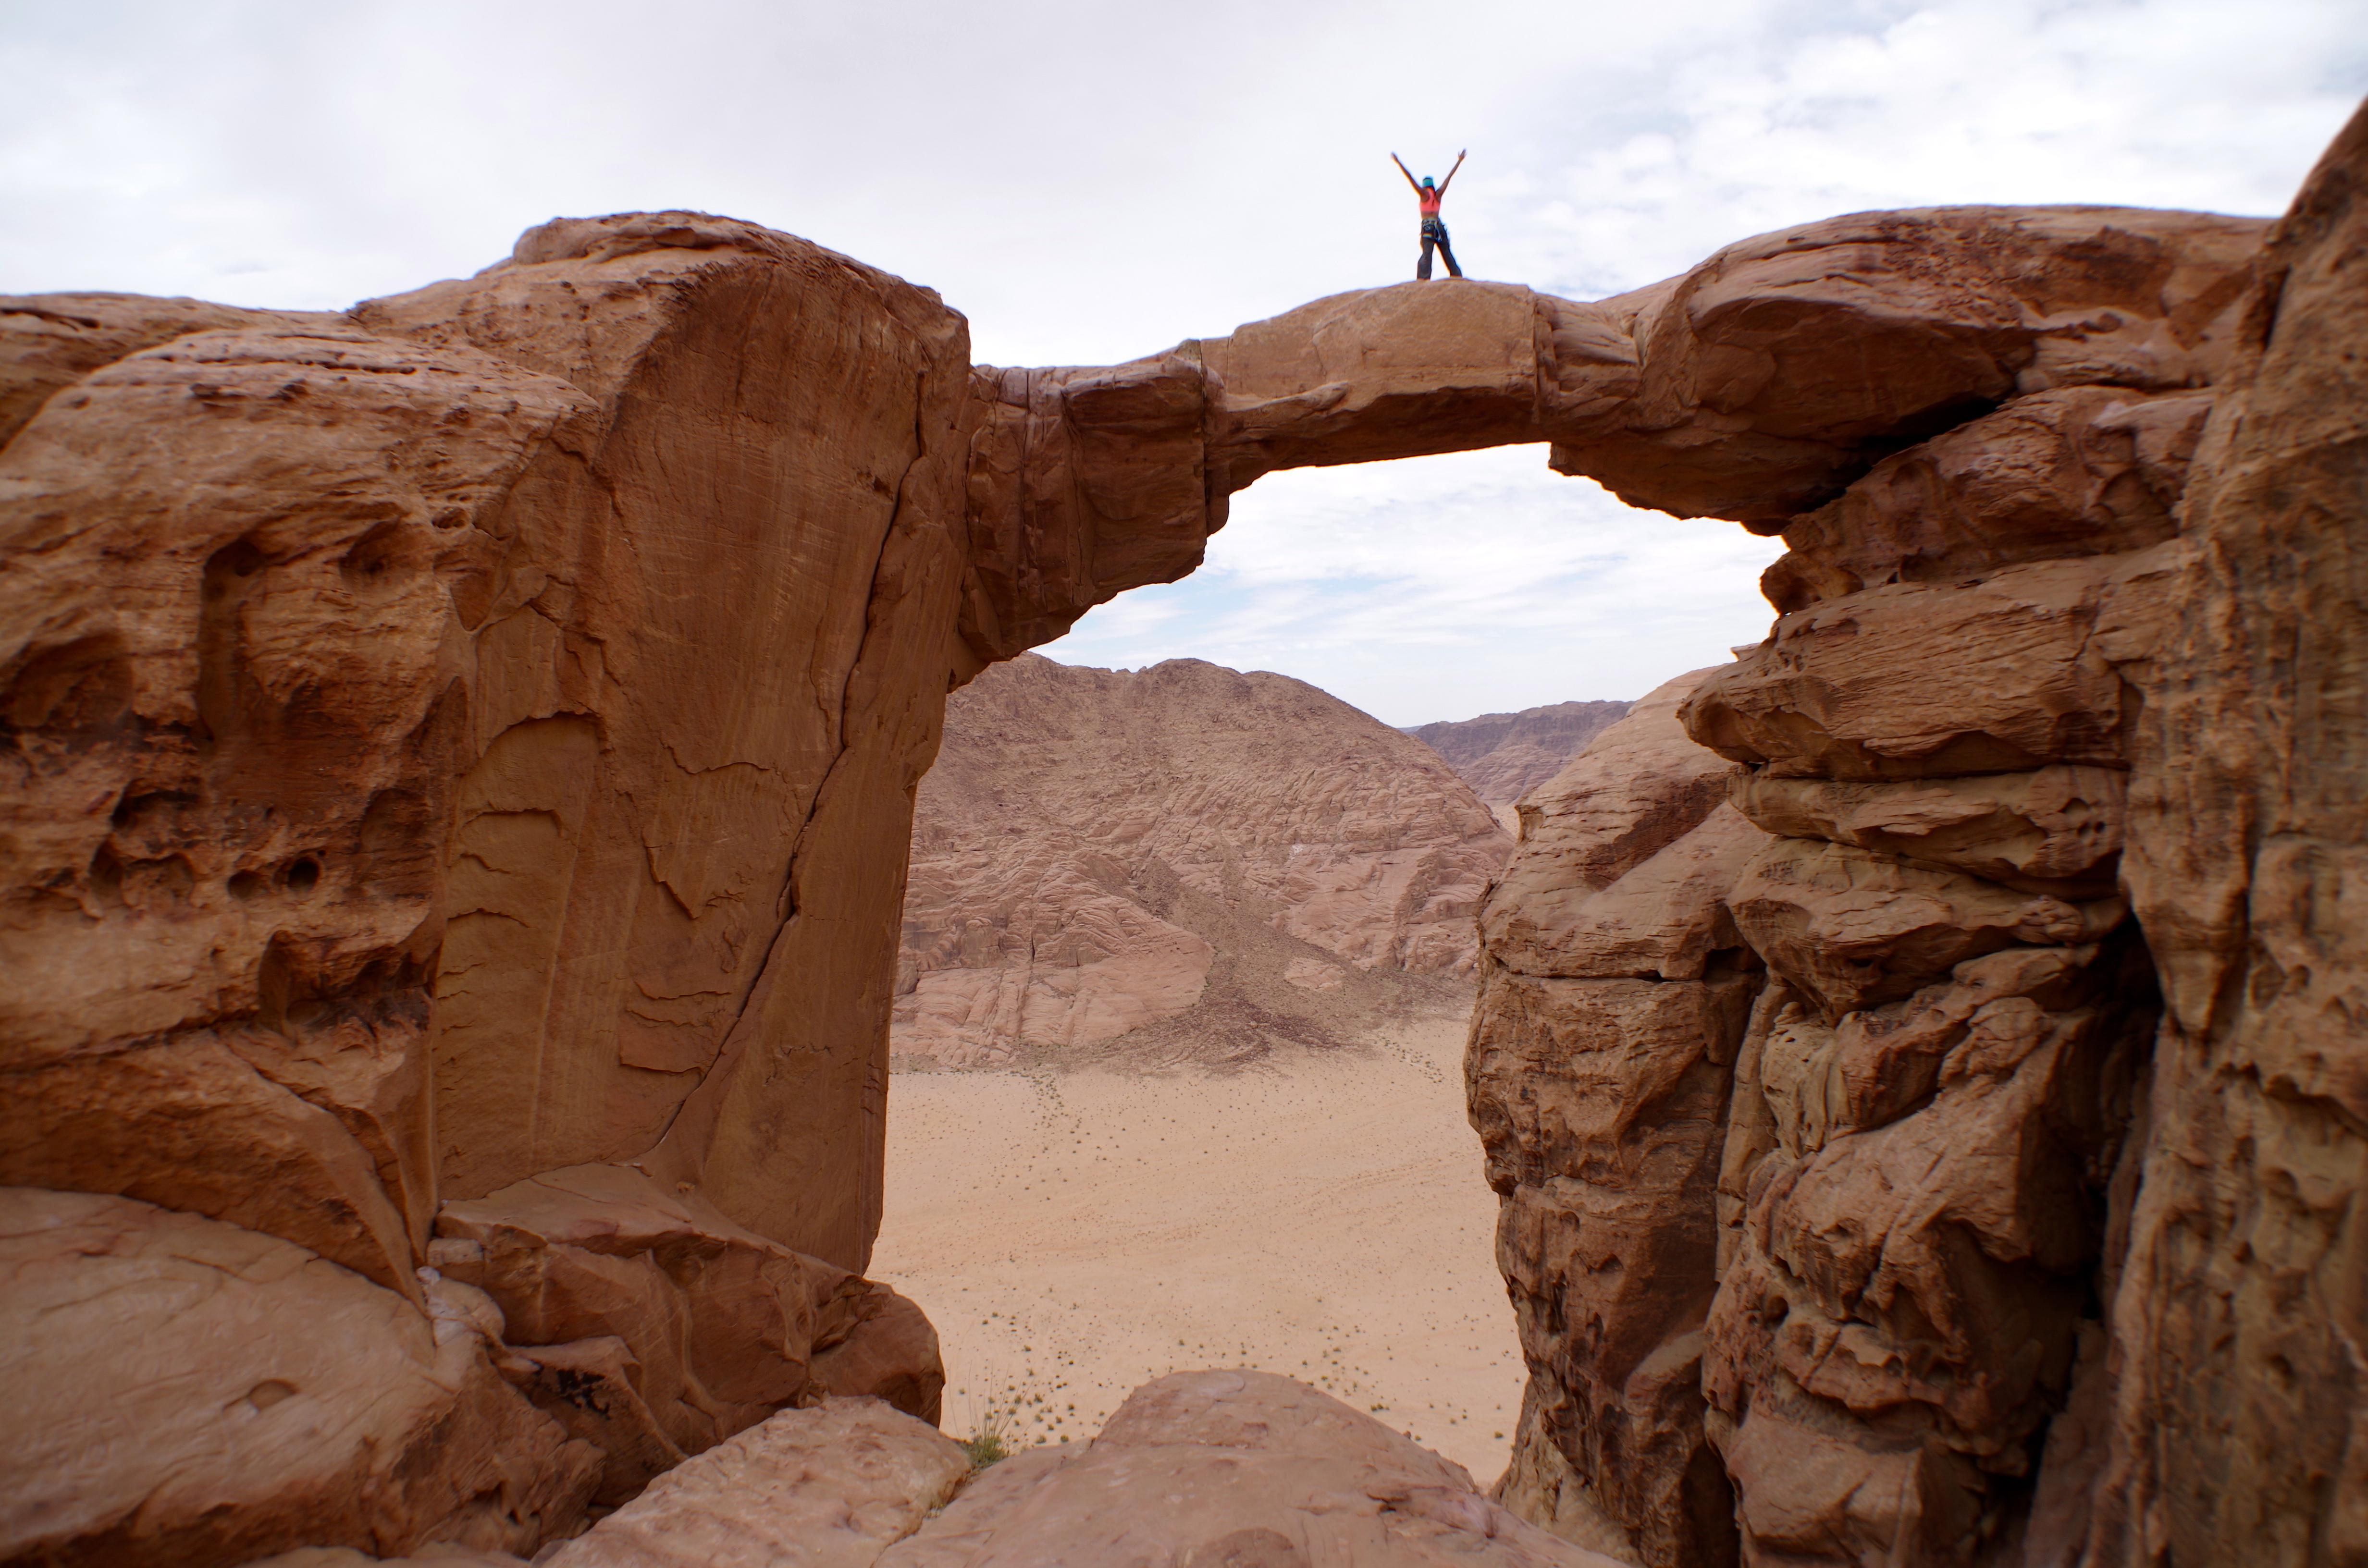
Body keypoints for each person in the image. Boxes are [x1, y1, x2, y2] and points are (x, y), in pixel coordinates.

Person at [1392, 150, 1465, 280]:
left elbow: (1410, 178)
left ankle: (1423, 279)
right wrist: (1459, 161)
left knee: (1427, 255)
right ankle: (1457, 276)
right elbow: (1449, 177)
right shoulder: (1438, 195)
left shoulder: (1424, 195)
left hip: (1428, 228)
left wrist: (1398, 162)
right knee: (1447, 253)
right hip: (1439, 228)